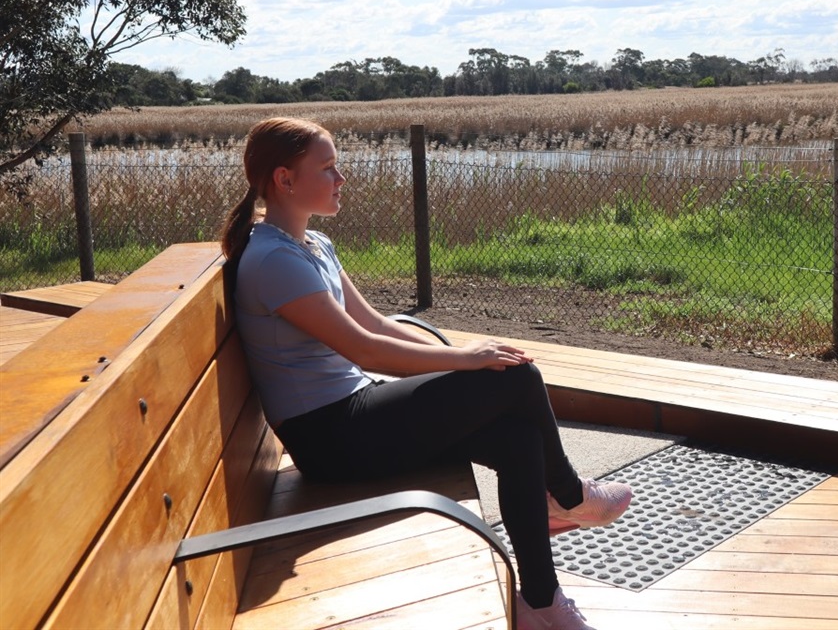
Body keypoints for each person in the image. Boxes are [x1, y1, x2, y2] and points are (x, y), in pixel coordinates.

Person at [220, 117, 632, 630]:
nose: (341, 178)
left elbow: (372, 322)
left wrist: (465, 357)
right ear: (284, 180)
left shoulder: (313, 245)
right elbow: (366, 349)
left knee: (518, 436)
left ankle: (542, 602)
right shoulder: (272, 261)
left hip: (354, 414)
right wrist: (466, 359)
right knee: (516, 379)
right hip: (330, 438)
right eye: (327, 169)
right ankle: (570, 495)